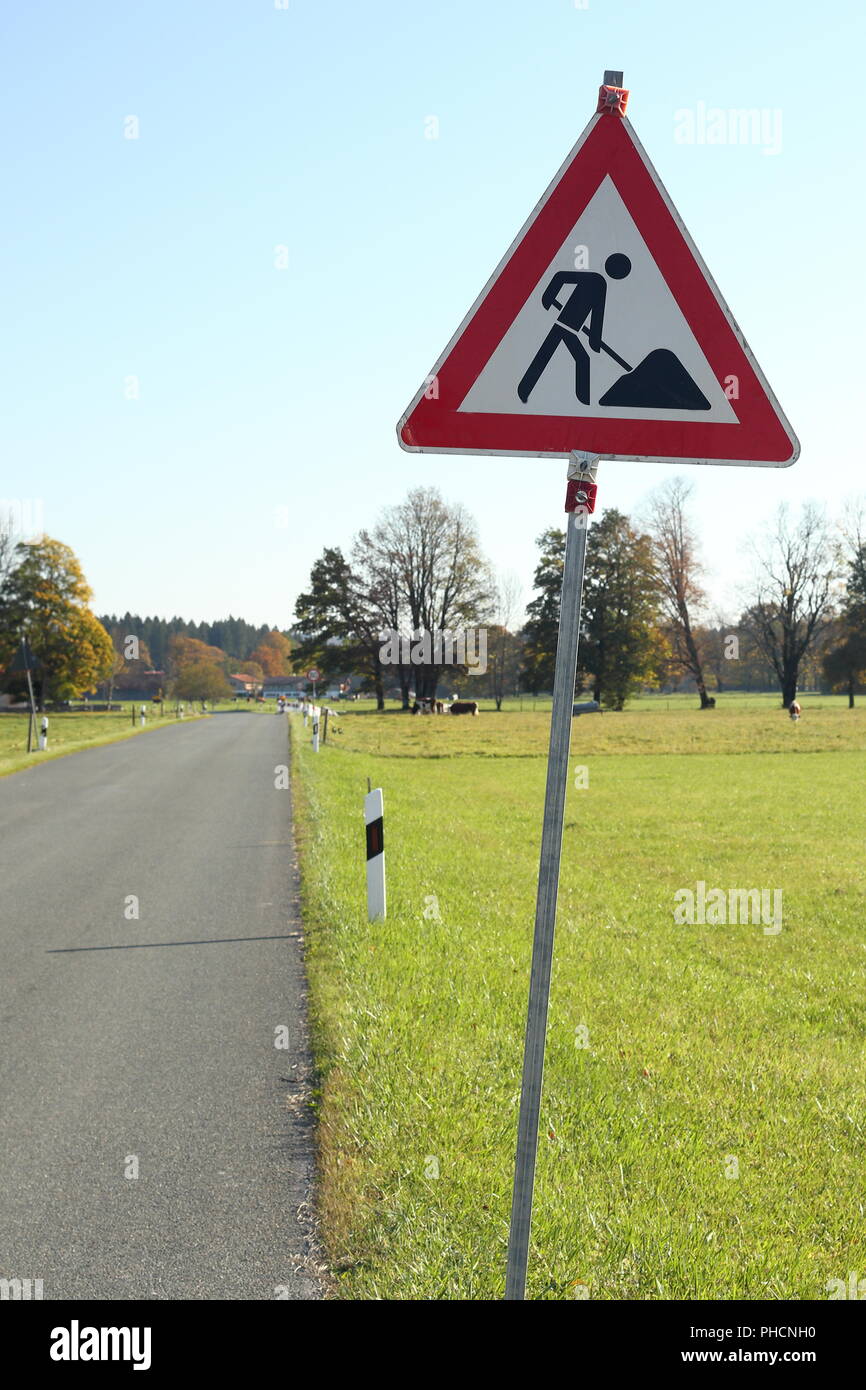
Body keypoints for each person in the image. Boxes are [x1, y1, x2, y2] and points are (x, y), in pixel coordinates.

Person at [517, 253, 632, 405]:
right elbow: (561, 277)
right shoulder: (597, 281)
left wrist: (594, 340)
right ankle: (583, 401)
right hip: (565, 326)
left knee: (550, 356)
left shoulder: (598, 282)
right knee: (576, 359)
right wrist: (548, 297)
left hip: (569, 329)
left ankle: (525, 390)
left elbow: (597, 315)